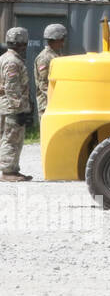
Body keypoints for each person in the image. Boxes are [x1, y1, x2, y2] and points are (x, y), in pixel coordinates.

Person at [0, 27, 33, 182]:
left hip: (7, 105)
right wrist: (19, 109)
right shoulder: (12, 61)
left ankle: (12, 170)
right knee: (12, 138)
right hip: (12, 107)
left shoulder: (5, 58)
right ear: (22, 44)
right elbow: (11, 87)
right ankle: (8, 172)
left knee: (10, 137)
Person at [34, 23, 67, 118]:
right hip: (47, 104)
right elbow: (43, 84)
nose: (63, 43)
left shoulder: (57, 55)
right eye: (61, 39)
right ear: (54, 40)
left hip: (56, 104)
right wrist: (57, 98)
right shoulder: (44, 58)